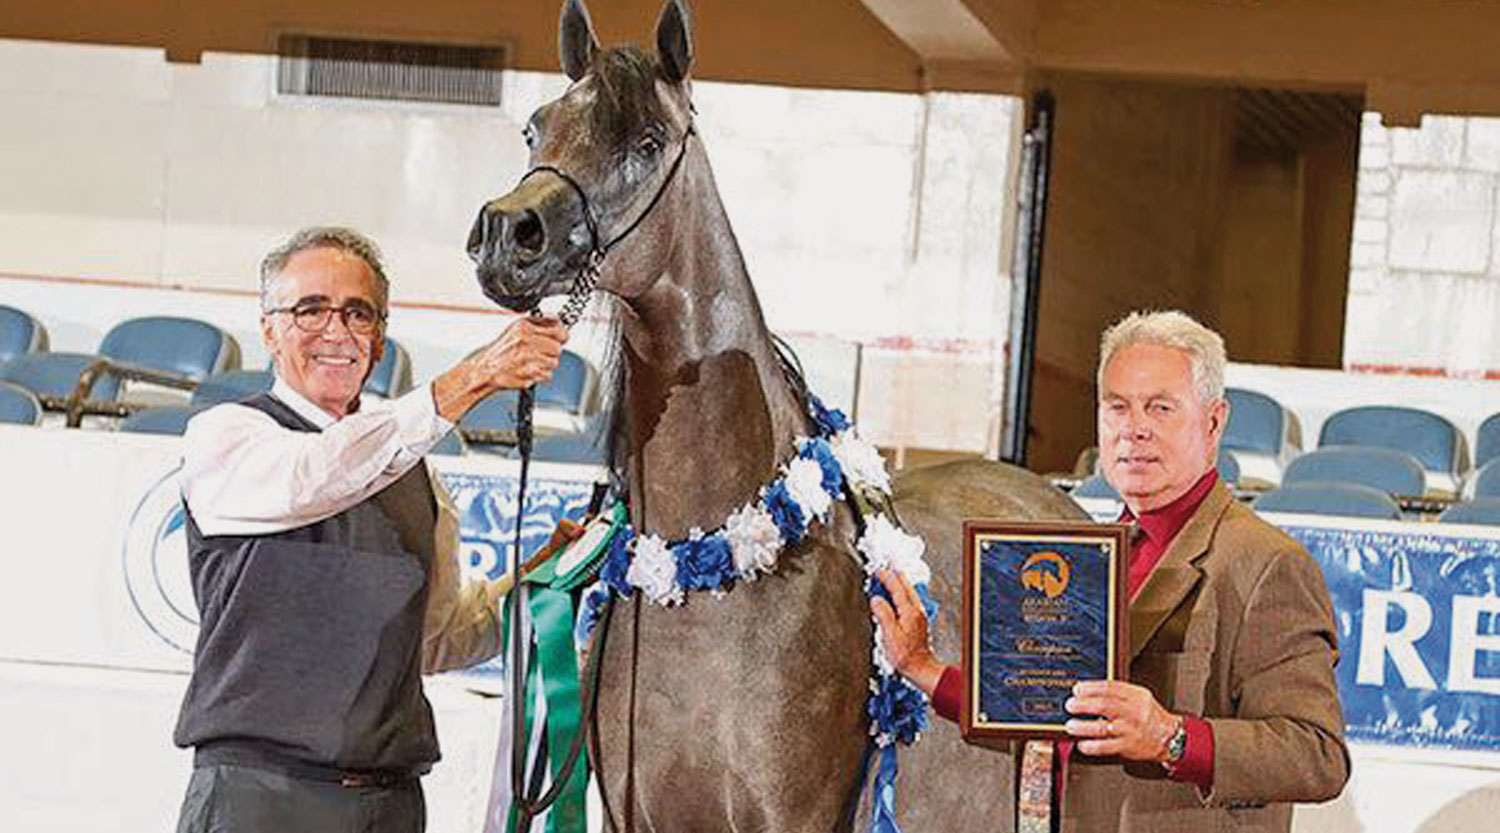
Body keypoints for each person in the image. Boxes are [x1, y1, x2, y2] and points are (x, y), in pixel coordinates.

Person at [873, 309, 1349, 832]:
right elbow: (1039, 707)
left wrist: (1173, 737)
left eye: (1160, 408)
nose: (1133, 429)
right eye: (1117, 406)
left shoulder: (1268, 563)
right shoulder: (1089, 559)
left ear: (1213, 422)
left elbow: (1317, 755)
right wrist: (923, 668)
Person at [172, 226, 574, 833]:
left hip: (390, 804)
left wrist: (541, 577)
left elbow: (436, 641)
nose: (336, 332)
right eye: (310, 310)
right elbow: (318, 475)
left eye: (359, 314)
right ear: (269, 330)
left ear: (380, 341)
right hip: (260, 796)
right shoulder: (228, 435)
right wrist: (471, 379)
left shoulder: (419, 478)